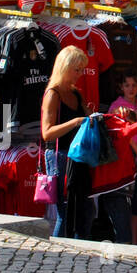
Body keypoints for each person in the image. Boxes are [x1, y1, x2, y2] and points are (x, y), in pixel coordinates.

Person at [40, 46, 94, 239]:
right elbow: (47, 133)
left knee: (85, 211)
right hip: (59, 155)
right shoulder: (53, 94)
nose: (80, 74)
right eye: (77, 70)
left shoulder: (76, 93)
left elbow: (88, 118)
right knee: (67, 212)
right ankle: (59, 251)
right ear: (65, 67)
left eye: (81, 70)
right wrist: (75, 122)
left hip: (77, 156)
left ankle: (80, 248)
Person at [102, 74, 137, 245]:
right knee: (121, 204)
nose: (131, 89)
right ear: (121, 87)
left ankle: (134, 242)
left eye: (134, 85)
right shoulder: (116, 107)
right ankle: (122, 239)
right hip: (122, 161)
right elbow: (111, 133)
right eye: (127, 85)